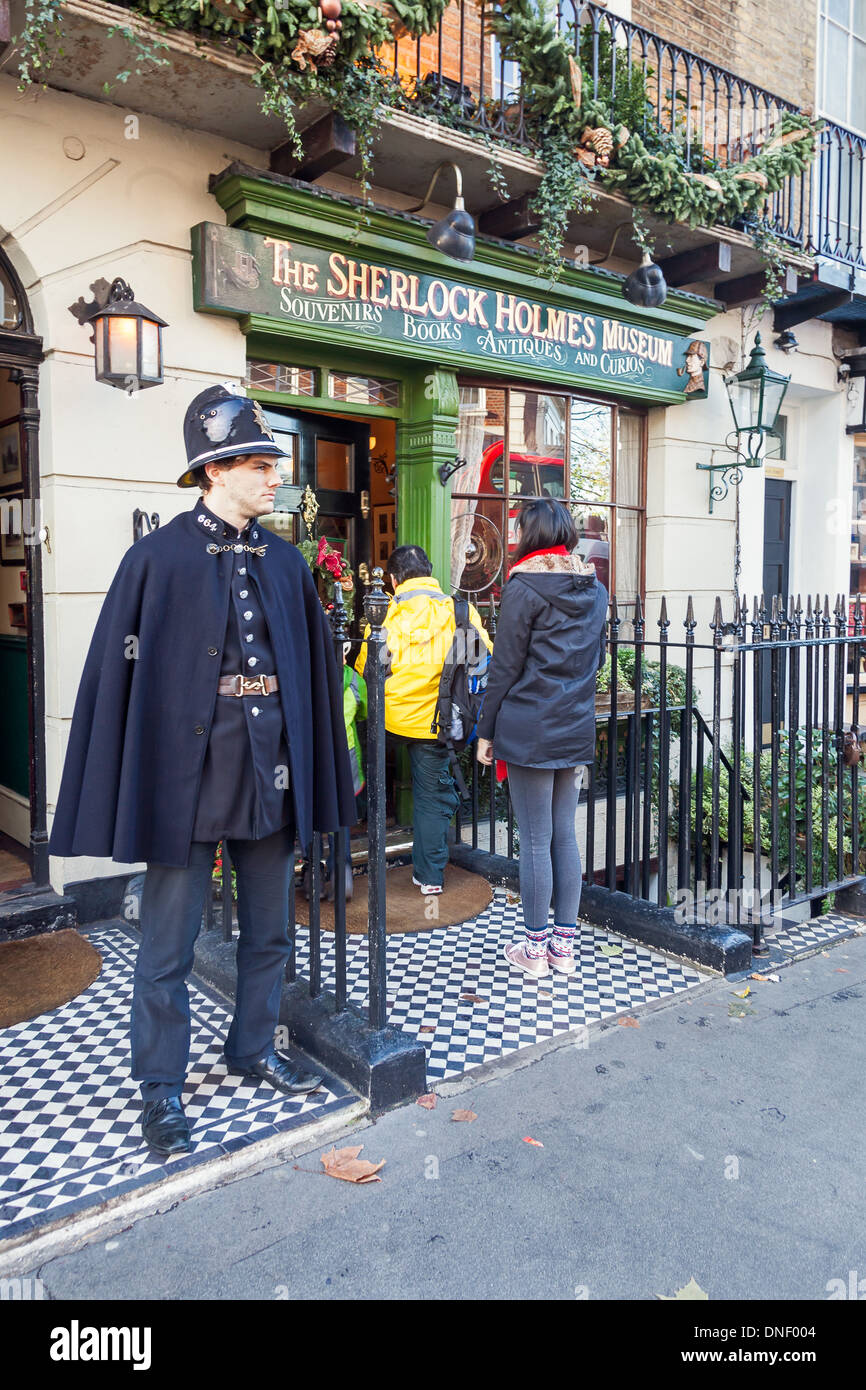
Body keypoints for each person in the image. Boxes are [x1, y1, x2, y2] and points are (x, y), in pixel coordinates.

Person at [49, 383, 357, 1155]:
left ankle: (252, 1048)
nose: (272, 475)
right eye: (256, 462)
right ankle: (160, 1088)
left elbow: (315, 677)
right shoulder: (154, 560)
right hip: (185, 774)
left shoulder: (287, 564)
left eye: (269, 463)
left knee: (270, 931)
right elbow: (117, 682)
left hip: (268, 768)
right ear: (213, 471)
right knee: (167, 944)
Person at [475, 499, 608, 978]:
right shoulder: (595, 588)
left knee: (534, 840)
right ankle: (564, 949)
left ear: (529, 534)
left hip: (529, 725)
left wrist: (485, 732)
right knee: (563, 835)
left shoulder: (523, 585)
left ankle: (534, 952)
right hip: (573, 725)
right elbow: (599, 660)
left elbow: (505, 667)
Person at [355, 545, 492, 895]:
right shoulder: (460, 610)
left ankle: (361, 854)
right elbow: (483, 661)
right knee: (431, 796)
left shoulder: (385, 614)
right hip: (440, 723)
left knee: (370, 783)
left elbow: (366, 668)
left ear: (393, 578)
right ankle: (429, 877)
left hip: (388, 720)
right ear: (431, 572)